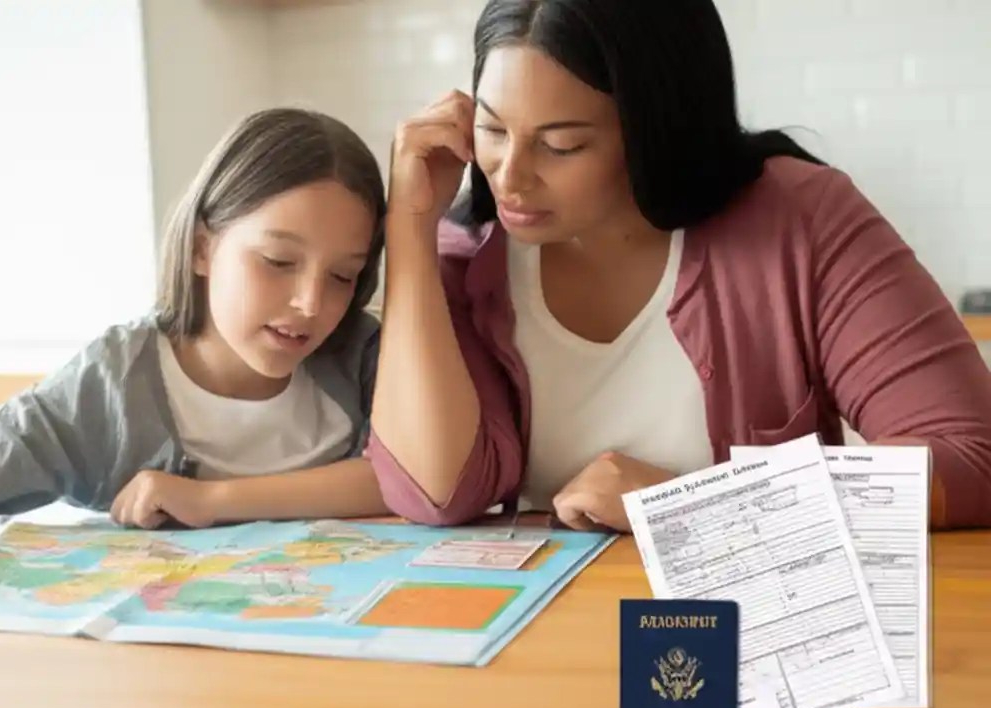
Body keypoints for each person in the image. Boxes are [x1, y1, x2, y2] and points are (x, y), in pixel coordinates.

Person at [369, 0, 991, 531]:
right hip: (551, 629)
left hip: (749, 620)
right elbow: (436, 492)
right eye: (493, 130)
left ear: (657, 128)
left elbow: (973, 457)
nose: (509, 177)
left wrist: (690, 503)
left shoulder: (802, 220)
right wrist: (408, 228)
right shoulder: (468, 254)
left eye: (562, 145)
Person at [0, 108, 389, 603]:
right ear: (202, 247)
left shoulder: (362, 356)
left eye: (343, 275)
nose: (311, 303)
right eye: (278, 261)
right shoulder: (111, 387)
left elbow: (410, 478)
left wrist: (213, 499)